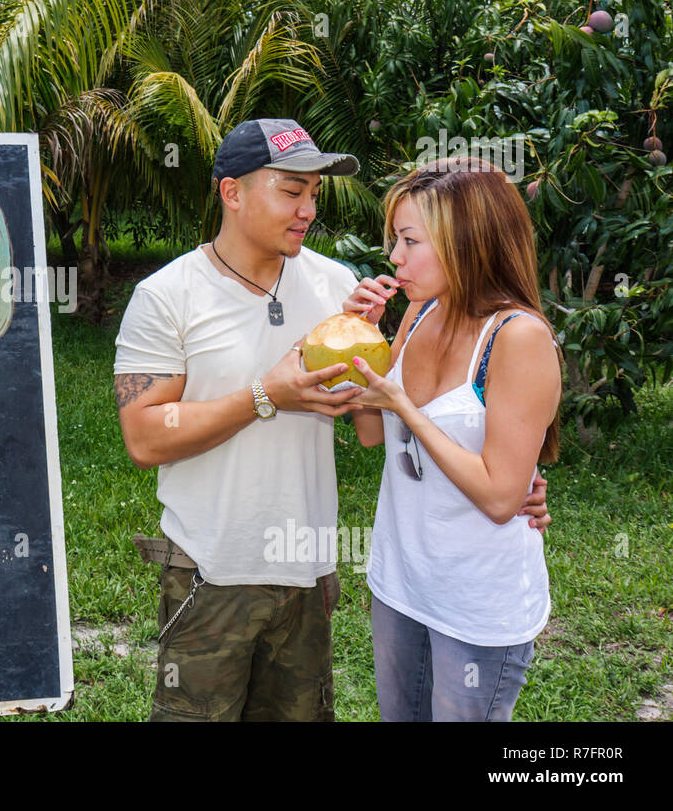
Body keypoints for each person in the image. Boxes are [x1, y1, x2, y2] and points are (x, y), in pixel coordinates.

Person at [113, 119, 553, 721]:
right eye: (291, 191)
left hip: (309, 569)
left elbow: (376, 422)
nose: (308, 210)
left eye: (315, 194)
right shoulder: (166, 295)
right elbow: (142, 438)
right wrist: (266, 393)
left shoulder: (337, 286)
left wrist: (511, 476)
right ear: (232, 192)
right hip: (210, 567)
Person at [340, 156, 561, 721]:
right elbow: (371, 432)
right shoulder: (418, 311)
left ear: (466, 241)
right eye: (396, 240)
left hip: (476, 604)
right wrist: (358, 336)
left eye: (410, 241)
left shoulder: (517, 338)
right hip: (402, 582)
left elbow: (499, 499)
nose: (394, 257)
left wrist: (408, 410)